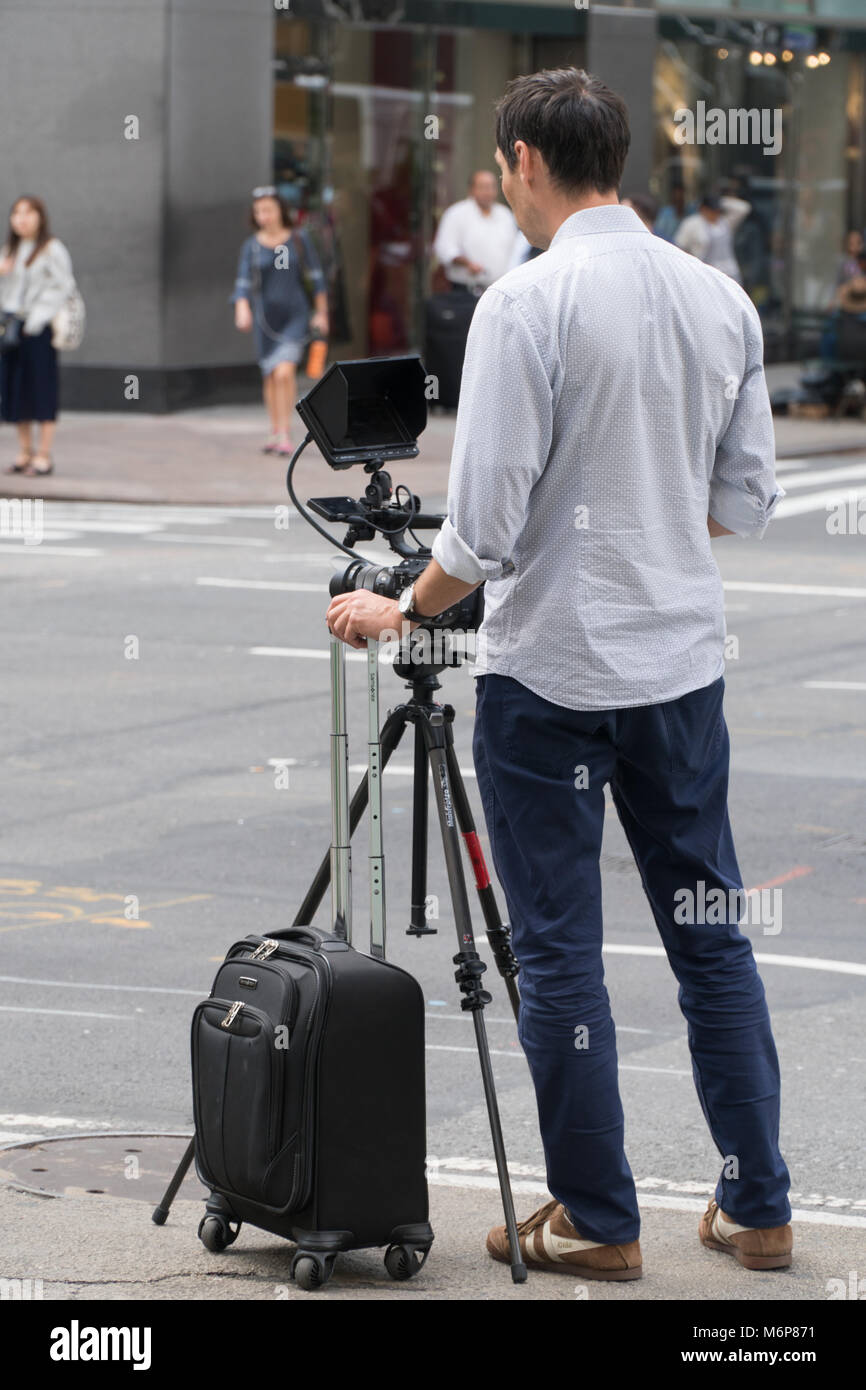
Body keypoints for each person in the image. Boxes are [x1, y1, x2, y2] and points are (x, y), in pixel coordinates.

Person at [326, 66, 792, 1281]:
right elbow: (740, 500)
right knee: (712, 939)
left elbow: (476, 539)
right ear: (615, 161)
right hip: (681, 666)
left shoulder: (523, 306)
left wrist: (396, 605)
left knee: (557, 954)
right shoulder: (718, 299)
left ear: (525, 164)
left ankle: (599, 1217)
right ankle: (757, 1207)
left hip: (551, 681)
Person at [231, 186, 328, 456]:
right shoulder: (251, 246)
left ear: (280, 211)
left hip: (295, 315)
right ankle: (274, 429)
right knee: (271, 375)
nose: (263, 216)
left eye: (268, 210)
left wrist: (322, 313)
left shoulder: (298, 239)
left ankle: (285, 431)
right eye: (258, 211)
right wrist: (241, 308)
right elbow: (242, 282)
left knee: (284, 372)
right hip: (265, 319)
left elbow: (318, 278)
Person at [0, 195, 75, 476]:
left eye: (29, 213)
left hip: (38, 330)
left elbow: (63, 286)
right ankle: (24, 452)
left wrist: (37, 318)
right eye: (16, 213)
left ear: (40, 217)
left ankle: (44, 455)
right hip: (11, 330)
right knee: (15, 390)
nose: (22, 218)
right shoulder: (10, 249)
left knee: (41, 388)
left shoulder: (51, 249)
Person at [433, 170, 521, 291]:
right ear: (471, 189)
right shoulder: (456, 213)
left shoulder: (505, 214)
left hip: (500, 288)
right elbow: (444, 249)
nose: (488, 192)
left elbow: (516, 250)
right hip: (466, 290)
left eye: (491, 187)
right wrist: (466, 263)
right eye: (483, 187)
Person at [675, 191, 751, 283]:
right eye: (712, 210)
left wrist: (721, 201)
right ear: (703, 209)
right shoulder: (692, 223)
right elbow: (679, 246)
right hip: (704, 274)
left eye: (717, 210)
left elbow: (744, 208)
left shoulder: (725, 222)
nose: (715, 213)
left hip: (729, 273)